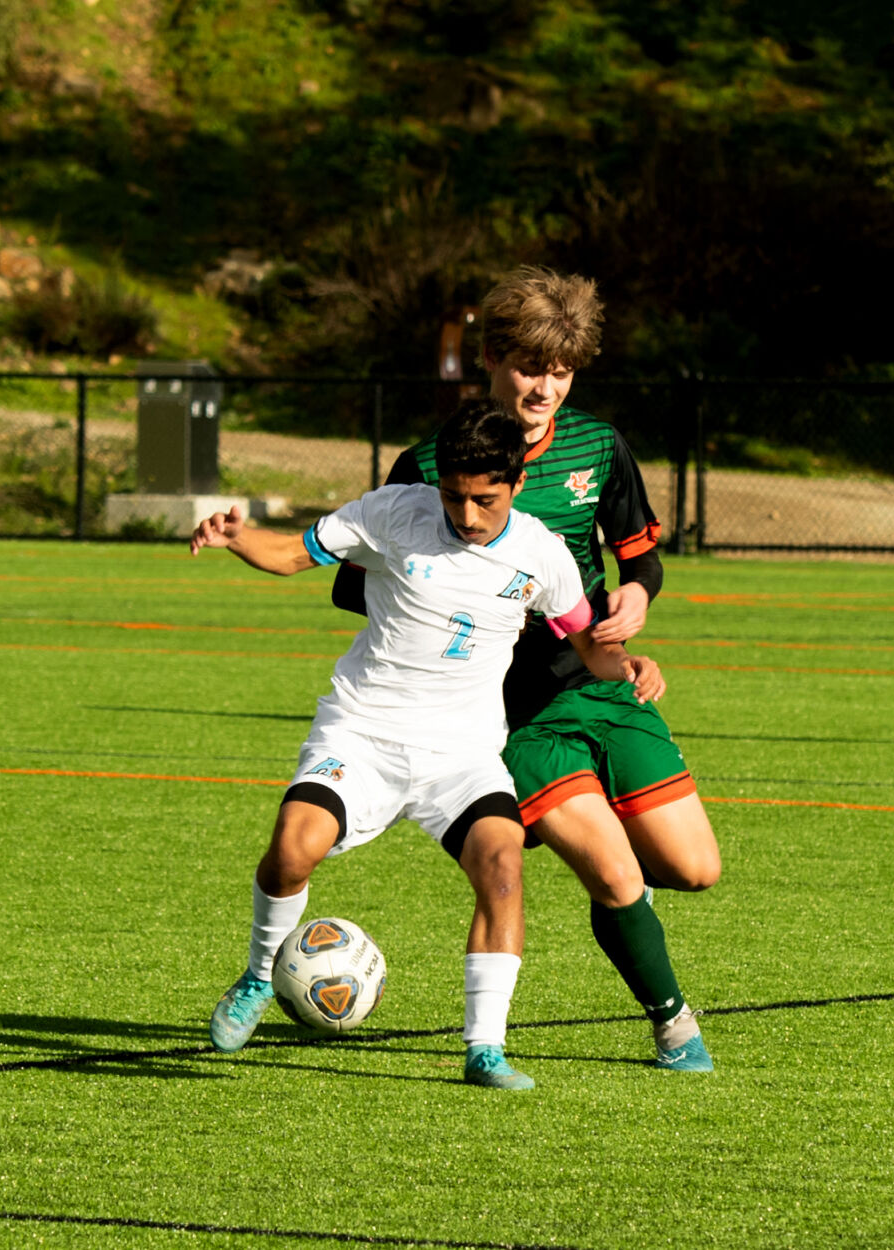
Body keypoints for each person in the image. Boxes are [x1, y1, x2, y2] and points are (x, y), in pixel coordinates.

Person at [195, 401, 665, 1091]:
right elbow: (291, 554)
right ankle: (259, 978)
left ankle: (485, 1048)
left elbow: (584, 638)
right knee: (292, 848)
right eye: (453, 497)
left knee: (502, 868)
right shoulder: (393, 511)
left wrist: (626, 662)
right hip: (363, 732)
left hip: (462, 754)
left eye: (484, 500)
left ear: (516, 487)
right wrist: (239, 539)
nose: (467, 516)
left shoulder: (543, 554)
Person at [335, 267, 721, 1072]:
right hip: (507, 715)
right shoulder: (428, 465)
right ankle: (673, 1020)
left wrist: (636, 603)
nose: (543, 385)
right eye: (527, 366)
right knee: (613, 870)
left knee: (693, 869)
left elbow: (639, 558)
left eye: (560, 369)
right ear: (490, 360)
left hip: (597, 682)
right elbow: (357, 587)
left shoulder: (596, 446)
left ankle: (622, 897)